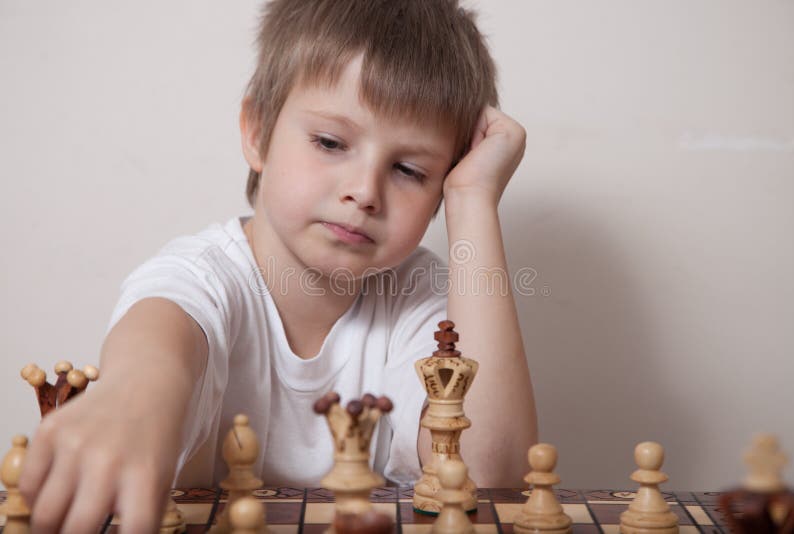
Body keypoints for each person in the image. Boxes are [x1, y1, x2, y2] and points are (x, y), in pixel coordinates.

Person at [19, 0, 538, 532]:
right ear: (257, 131)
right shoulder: (204, 275)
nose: (364, 192)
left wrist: (473, 199)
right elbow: (161, 341)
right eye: (330, 142)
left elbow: (490, 477)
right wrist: (135, 393)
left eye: (409, 170)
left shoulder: (422, 299)